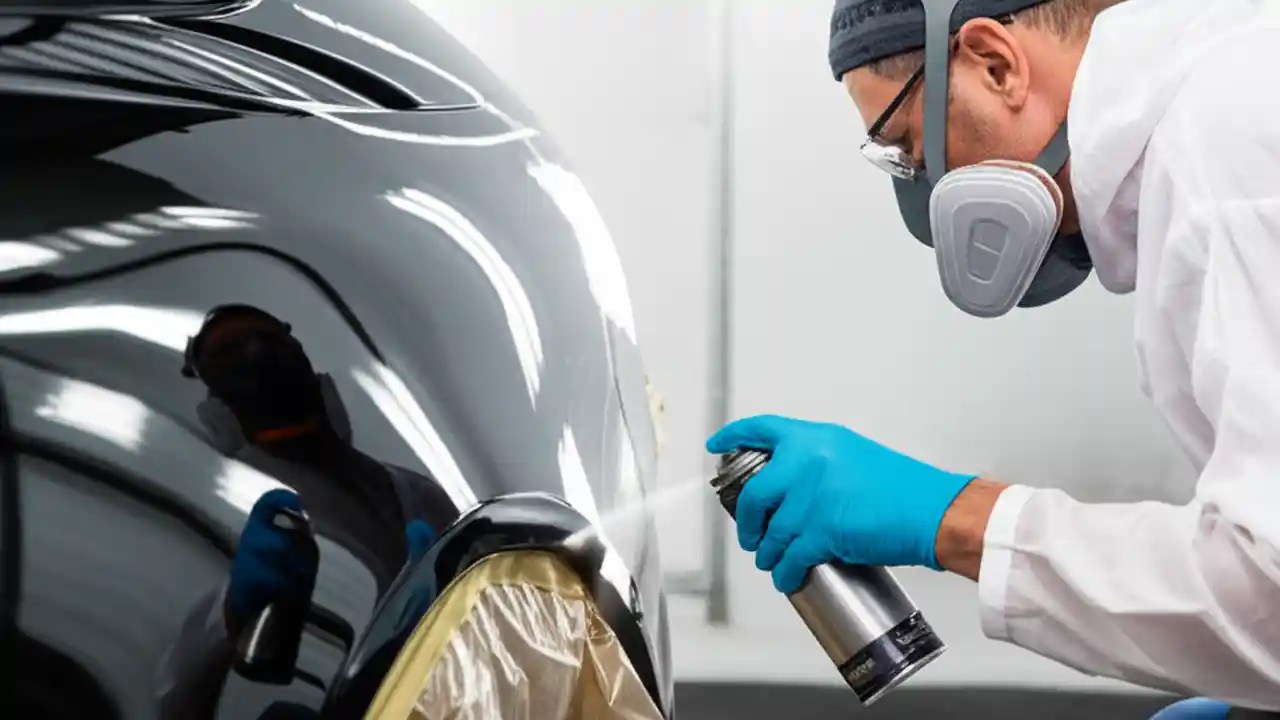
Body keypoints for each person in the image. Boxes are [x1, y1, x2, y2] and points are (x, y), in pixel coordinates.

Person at [708, 1, 1280, 717]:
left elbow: (1270, 590)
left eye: (908, 147)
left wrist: (953, 517)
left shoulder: (1227, 152)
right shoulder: (1227, 110)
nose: (922, 191)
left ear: (995, 64)